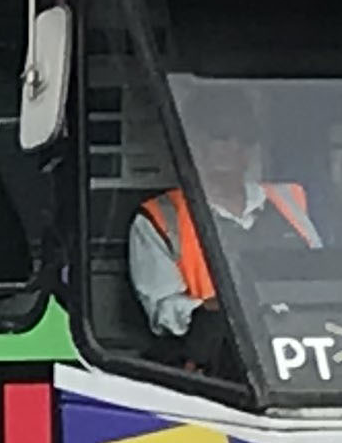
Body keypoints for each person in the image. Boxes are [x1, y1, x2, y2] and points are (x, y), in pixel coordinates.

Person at [128, 78, 320, 343]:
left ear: (249, 146)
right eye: (215, 135)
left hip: (300, 348)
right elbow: (164, 310)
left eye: (237, 135)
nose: (227, 146)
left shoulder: (289, 201)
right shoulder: (159, 217)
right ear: (193, 142)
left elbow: (321, 281)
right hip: (212, 363)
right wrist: (216, 311)